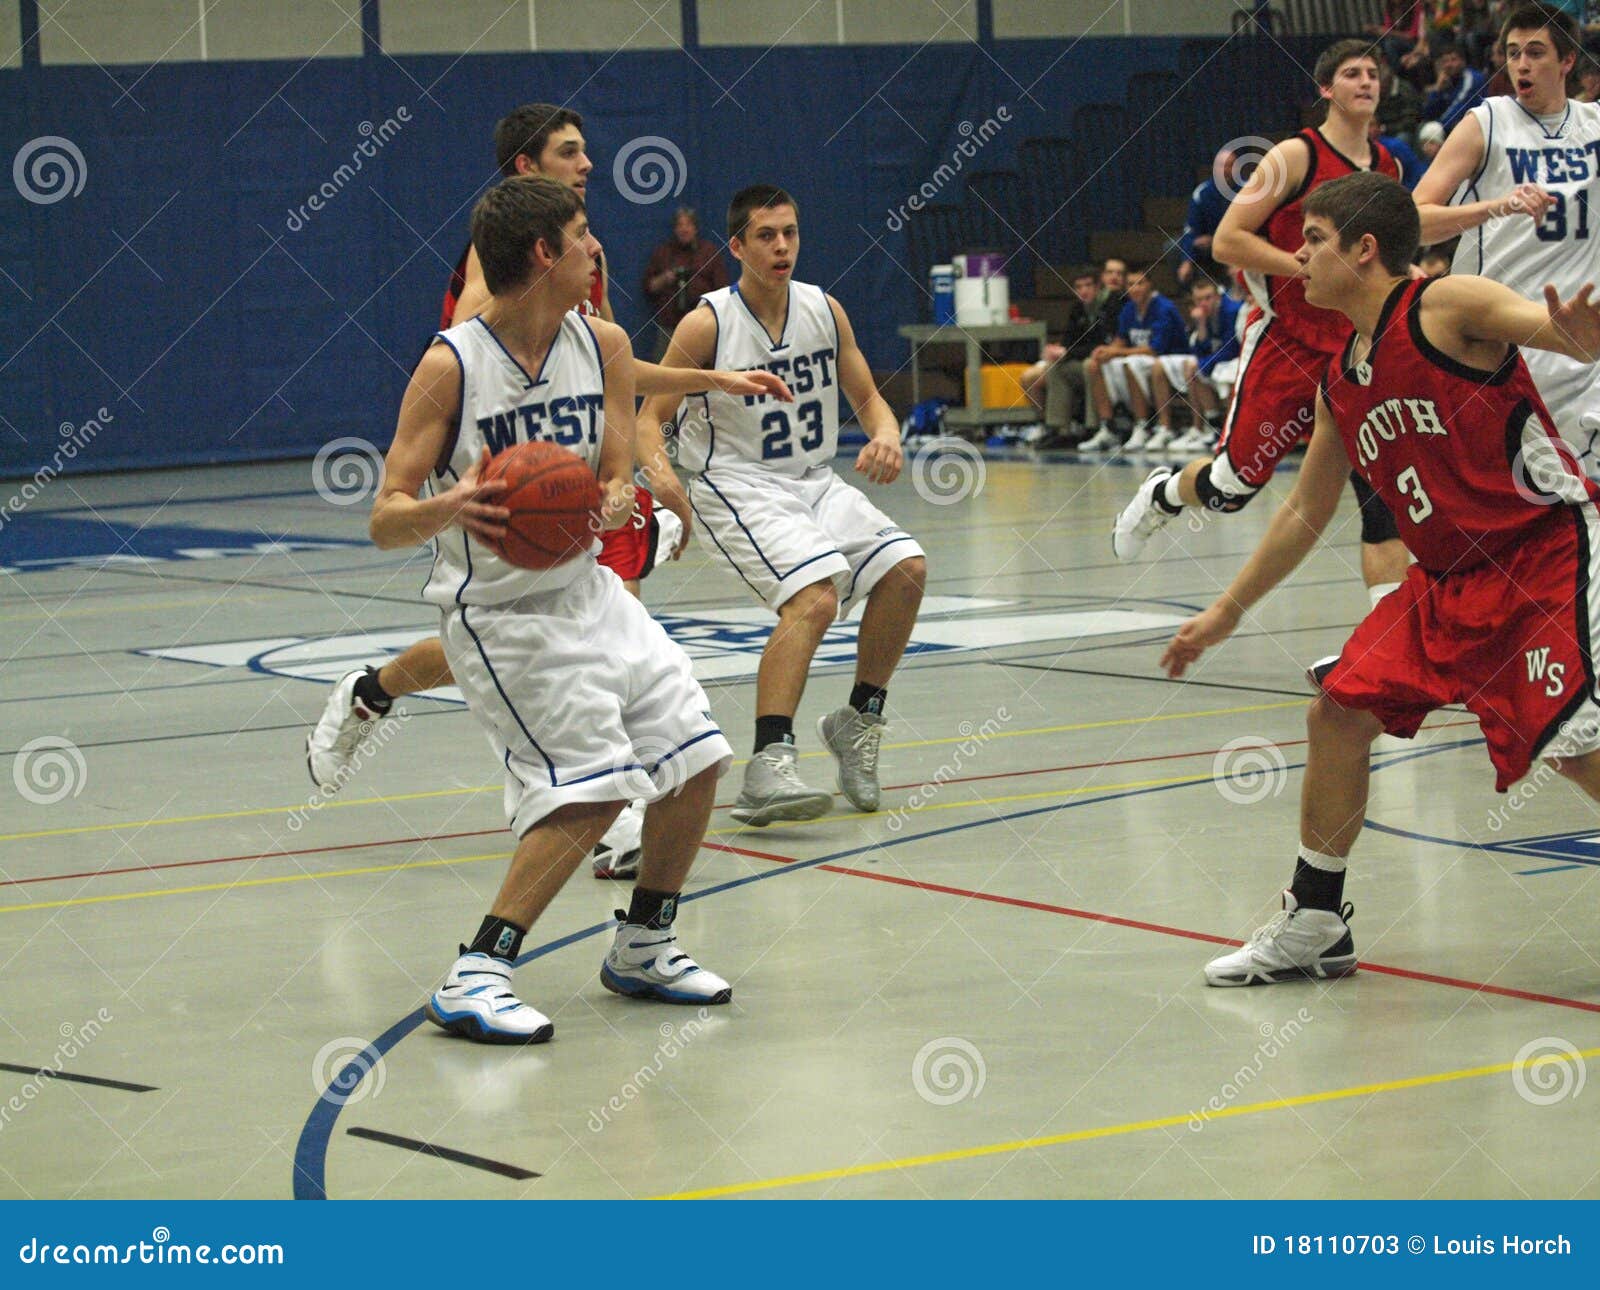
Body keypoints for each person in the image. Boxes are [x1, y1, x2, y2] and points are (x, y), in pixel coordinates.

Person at [306, 102, 790, 882]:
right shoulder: (493, 284)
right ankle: (589, 801)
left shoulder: (576, 263)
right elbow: (489, 377)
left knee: (574, 625)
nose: (590, 163)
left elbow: (609, 367)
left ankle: (383, 694)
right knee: (525, 632)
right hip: (501, 486)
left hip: (568, 478)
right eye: (572, 151)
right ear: (528, 172)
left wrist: (705, 385)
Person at [1159, 170, 1600, 987]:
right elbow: (1302, 513)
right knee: (1338, 710)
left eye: (1314, 239)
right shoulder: (1341, 376)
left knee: (1578, 753)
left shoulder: (1445, 304)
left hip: (1540, 558)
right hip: (1442, 583)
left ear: (1365, 250)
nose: (1298, 254)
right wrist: (1226, 610)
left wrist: (1579, 334)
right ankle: (1316, 922)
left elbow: (1549, 330)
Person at [372, 176, 738, 1041]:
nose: (597, 248)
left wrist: (615, 497)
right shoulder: (450, 365)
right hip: (502, 616)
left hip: (589, 592)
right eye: (583, 234)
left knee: (696, 756)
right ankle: (478, 970)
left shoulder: (605, 343)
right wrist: (445, 508)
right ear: (544, 253)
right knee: (594, 789)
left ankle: (644, 945)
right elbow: (386, 515)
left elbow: (615, 466)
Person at [641, 185, 927, 826]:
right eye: (767, 235)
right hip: (734, 483)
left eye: (790, 233)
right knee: (815, 599)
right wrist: (662, 481)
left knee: (907, 568)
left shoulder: (824, 309)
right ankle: (768, 763)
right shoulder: (707, 321)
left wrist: (886, 434)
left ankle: (858, 722)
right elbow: (648, 417)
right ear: (737, 245)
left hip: (812, 480)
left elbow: (869, 396)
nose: (782, 246)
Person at [1110, 38, 1411, 608]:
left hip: (1357, 343)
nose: (1367, 82)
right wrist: (1303, 263)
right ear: (1326, 89)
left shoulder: (1389, 164)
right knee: (1232, 487)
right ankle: (1165, 493)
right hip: (1288, 340)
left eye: (1374, 72)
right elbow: (1227, 241)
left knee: (1381, 488)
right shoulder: (1293, 158)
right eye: (1352, 73)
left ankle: (1388, 637)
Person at [1413, 3, 1600, 472]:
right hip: (1500, 342)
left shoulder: (1594, 125)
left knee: (1583, 506)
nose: (1521, 64)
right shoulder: (1488, 121)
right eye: (1513, 53)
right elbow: (1413, 220)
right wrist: (1496, 206)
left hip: (1579, 344)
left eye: (1535, 52)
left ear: (1567, 61)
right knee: (1494, 514)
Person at [1078, 266, 1188, 452]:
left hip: (1170, 359)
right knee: (1094, 364)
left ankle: (1143, 425)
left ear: (1150, 285)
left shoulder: (1164, 308)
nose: (1135, 289)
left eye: (1140, 284)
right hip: (1143, 360)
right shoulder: (1129, 308)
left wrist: (1116, 353)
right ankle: (1108, 428)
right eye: (1131, 285)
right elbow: (1121, 340)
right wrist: (1106, 351)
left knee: (1130, 363)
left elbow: (1153, 350)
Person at [1019, 266, 1104, 448]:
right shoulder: (1077, 309)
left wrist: (1067, 352)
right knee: (1055, 367)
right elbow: (1069, 341)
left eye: (1088, 285)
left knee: (1090, 365)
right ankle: (1057, 428)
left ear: (1098, 287)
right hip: (1079, 362)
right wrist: (1057, 351)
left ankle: (1092, 428)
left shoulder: (1108, 307)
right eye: (1079, 287)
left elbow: (1101, 345)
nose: (1084, 291)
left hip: (1099, 362)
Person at [1158, 278, 1243, 454]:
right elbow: (1199, 350)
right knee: (1193, 366)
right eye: (1199, 300)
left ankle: (1231, 433)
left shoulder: (1231, 310)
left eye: (1208, 298)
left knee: (1204, 369)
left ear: (1217, 296)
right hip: (1220, 361)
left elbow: (1231, 348)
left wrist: (1204, 365)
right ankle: (1213, 427)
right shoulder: (1203, 315)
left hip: (1237, 359)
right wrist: (1202, 324)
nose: (1203, 303)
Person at [642, 206, 729, 359]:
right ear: (675, 229)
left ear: (695, 228)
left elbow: (722, 291)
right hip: (669, 326)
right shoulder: (663, 252)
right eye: (680, 225)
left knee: (705, 372)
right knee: (662, 372)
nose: (684, 229)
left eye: (688, 225)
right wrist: (665, 279)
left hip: (702, 325)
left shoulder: (708, 252)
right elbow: (649, 287)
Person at [1175, 149, 1235, 287]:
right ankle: (1191, 294)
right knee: (1173, 247)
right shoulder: (1202, 193)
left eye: (1230, 165)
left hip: (1237, 243)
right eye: (1222, 165)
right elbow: (1191, 230)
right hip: (1208, 248)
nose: (1226, 170)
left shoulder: (1247, 190)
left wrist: (1216, 238)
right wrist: (1187, 260)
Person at [1420, 38, 1489, 129]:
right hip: (1452, 125)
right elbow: (1427, 114)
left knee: (1431, 130)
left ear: (1463, 62)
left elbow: (1458, 110)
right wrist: (1437, 90)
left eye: (1453, 60)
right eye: (1445, 61)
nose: (1449, 64)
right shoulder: (1446, 81)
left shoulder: (1473, 79)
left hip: (1474, 124)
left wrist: (1438, 126)